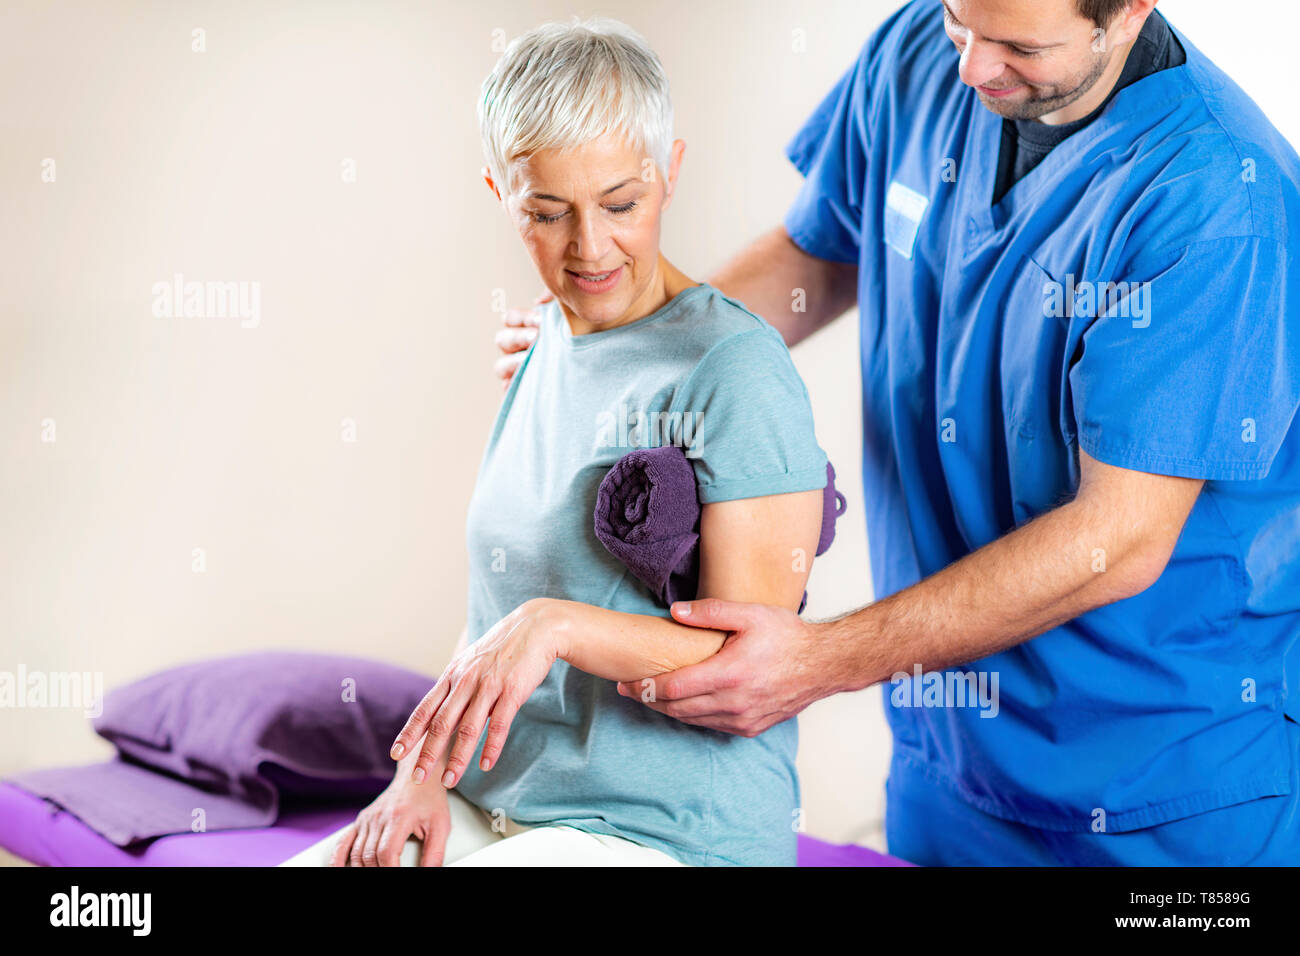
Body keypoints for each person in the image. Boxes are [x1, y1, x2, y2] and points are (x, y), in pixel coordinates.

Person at [495, 0, 1300, 865]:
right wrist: (633, 345)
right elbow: (816, 255)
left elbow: (1122, 535)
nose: (970, 70)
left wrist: (820, 658)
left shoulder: (1216, 198)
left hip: (1167, 791)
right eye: (962, 22)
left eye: (1020, 47)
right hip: (947, 763)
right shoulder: (917, 50)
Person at [284, 17, 829, 868]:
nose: (590, 247)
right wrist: (421, 774)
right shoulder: (542, 345)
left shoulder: (735, 370)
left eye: (621, 203)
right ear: (500, 194)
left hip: (667, 834)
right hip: (501, 802)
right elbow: (496, 617)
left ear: (670, 172)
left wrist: (555, 626)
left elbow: (748, 669)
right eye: (548, 212)